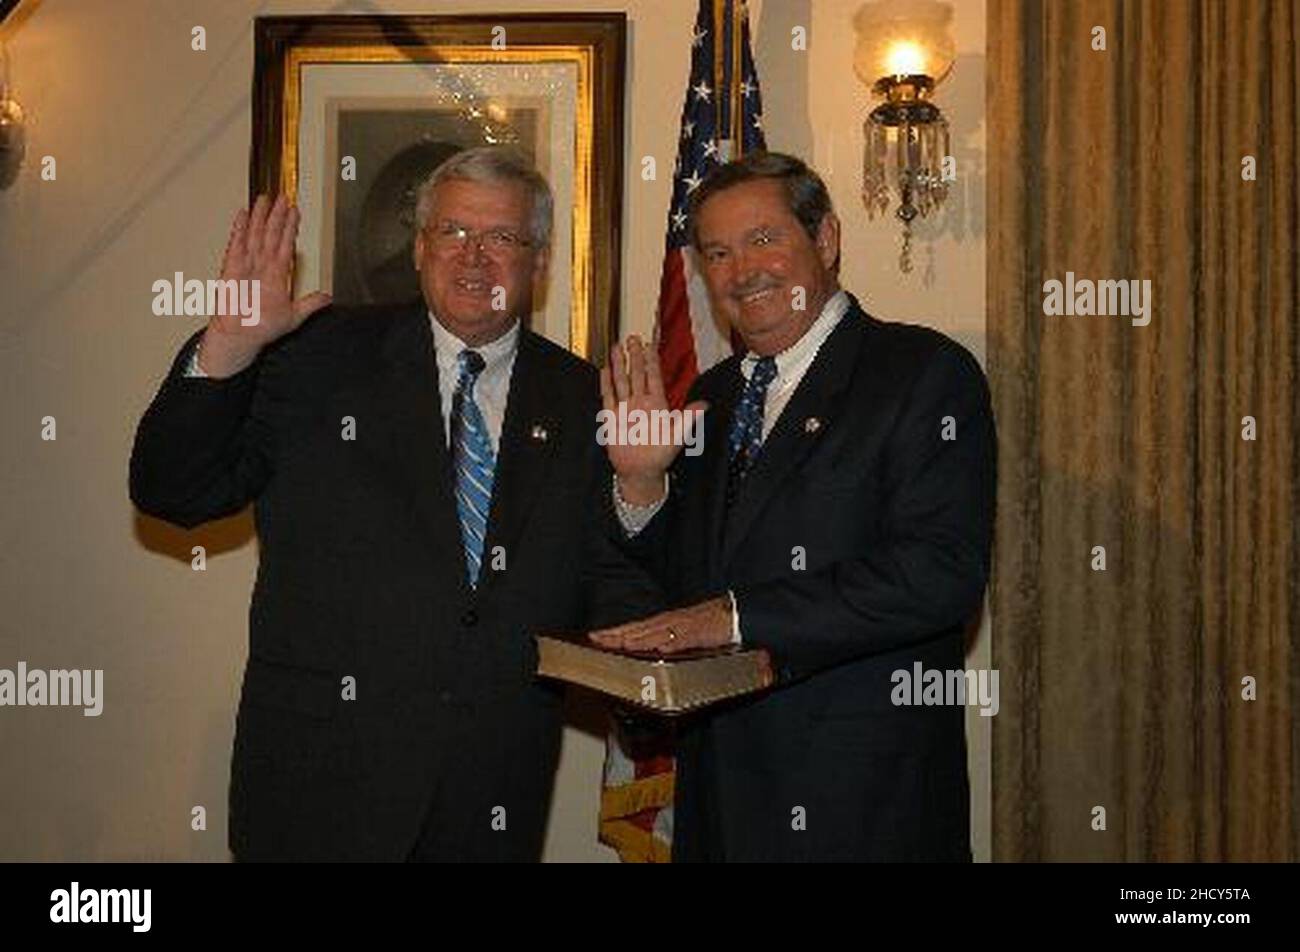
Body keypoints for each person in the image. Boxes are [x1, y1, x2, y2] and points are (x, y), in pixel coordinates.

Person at [130, 146, 658, 861]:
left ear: (537, 261)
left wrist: (639, 490)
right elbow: (173, 492)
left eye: (502, 238)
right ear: (417, 247)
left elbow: (615, 593)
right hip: (317, 788)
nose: (474, 257)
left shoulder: (583, 399)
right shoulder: (315, 356)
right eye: (452, 232)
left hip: (488, 798)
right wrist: (227, 346)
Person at [595, 151, 996, 861]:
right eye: (717, 252)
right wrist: (641, 484)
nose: (742, 270)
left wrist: (738, 618)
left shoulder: (921, 374)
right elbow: (676, 597)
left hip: (863, 809)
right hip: (719, 805)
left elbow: (938, 575)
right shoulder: (707, 401)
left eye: (763, 239)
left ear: (828, 239)